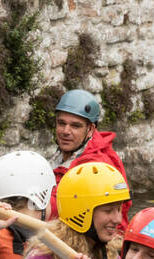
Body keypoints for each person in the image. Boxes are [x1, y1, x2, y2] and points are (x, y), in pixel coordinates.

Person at [48, 89, 130, 226]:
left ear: (90, 129)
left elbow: (58, 206)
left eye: (75, 126)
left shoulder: (96, 166)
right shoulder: (61, 157)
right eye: (61, 123)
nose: (65, 131)